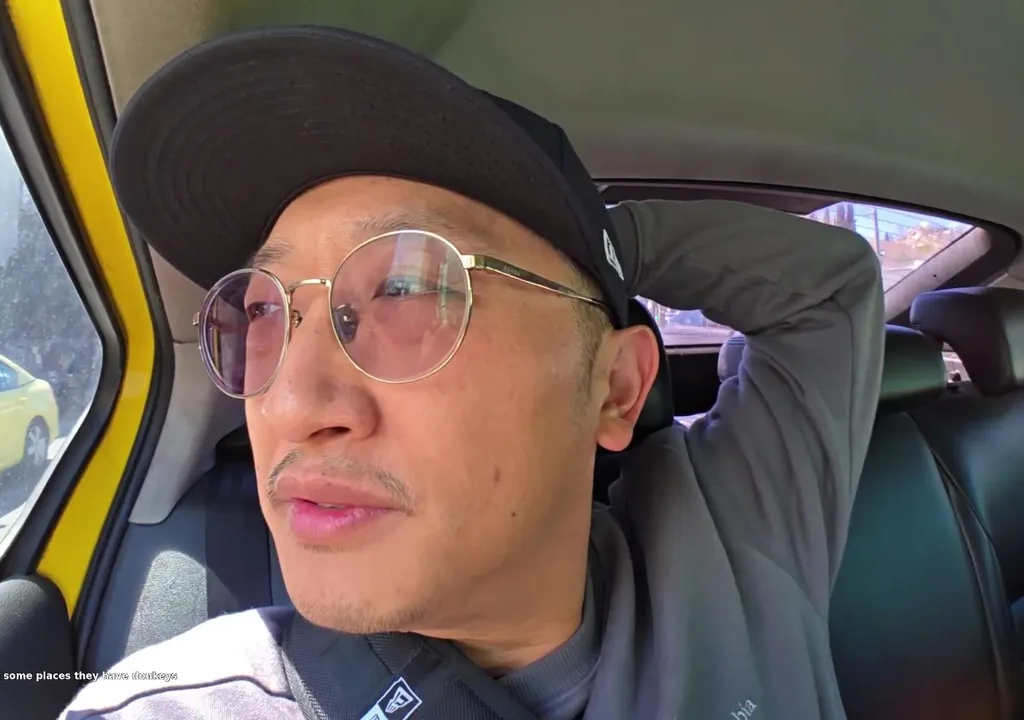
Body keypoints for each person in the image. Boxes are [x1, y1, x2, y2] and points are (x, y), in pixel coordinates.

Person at [61, 25, 883, 720]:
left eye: (405, 287)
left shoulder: (734, 541)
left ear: (615, 389)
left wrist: (605, 245)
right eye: (268, 309)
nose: (290, 403)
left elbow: (829, 292)